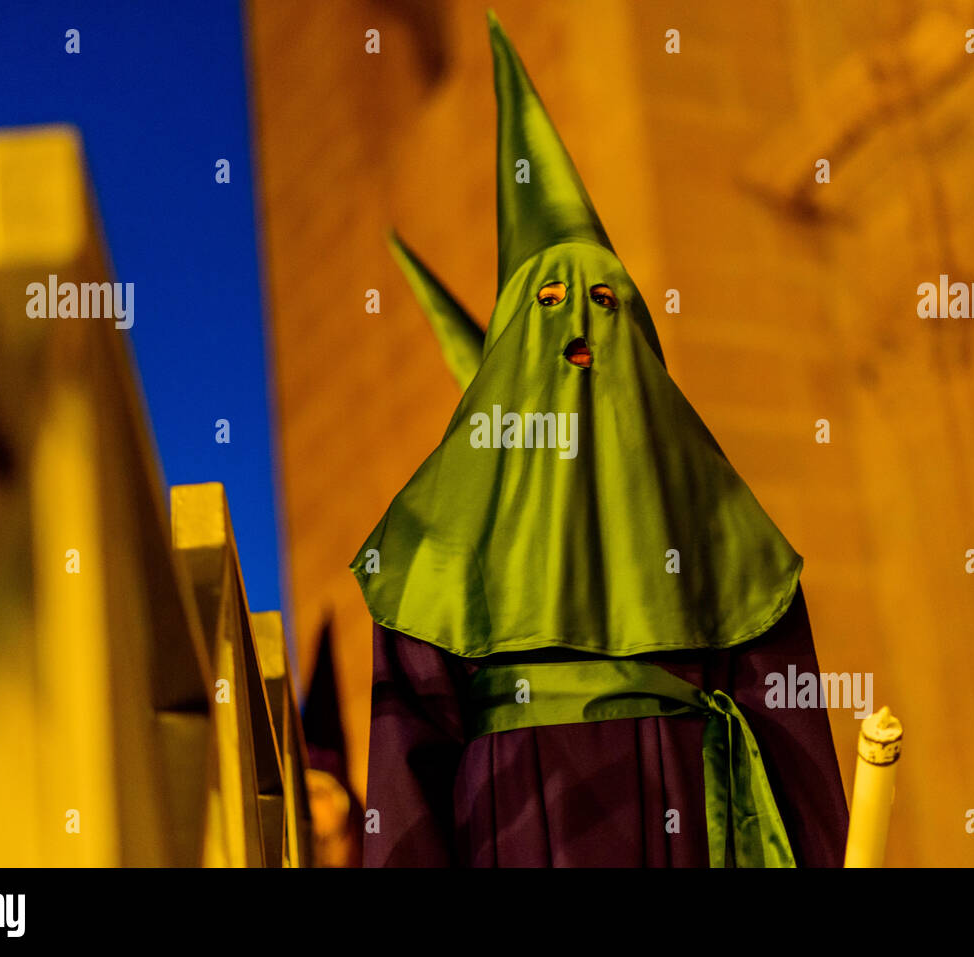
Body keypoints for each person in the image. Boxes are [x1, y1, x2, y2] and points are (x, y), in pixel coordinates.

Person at [351, 10, 848, 867]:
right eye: (546, 312)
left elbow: (794, 745)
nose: (580, 339)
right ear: (508, 365)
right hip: (511, 827)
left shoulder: (723, 527)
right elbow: (406, 777)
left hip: (697, 820)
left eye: (606, 309)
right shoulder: (431, 543)